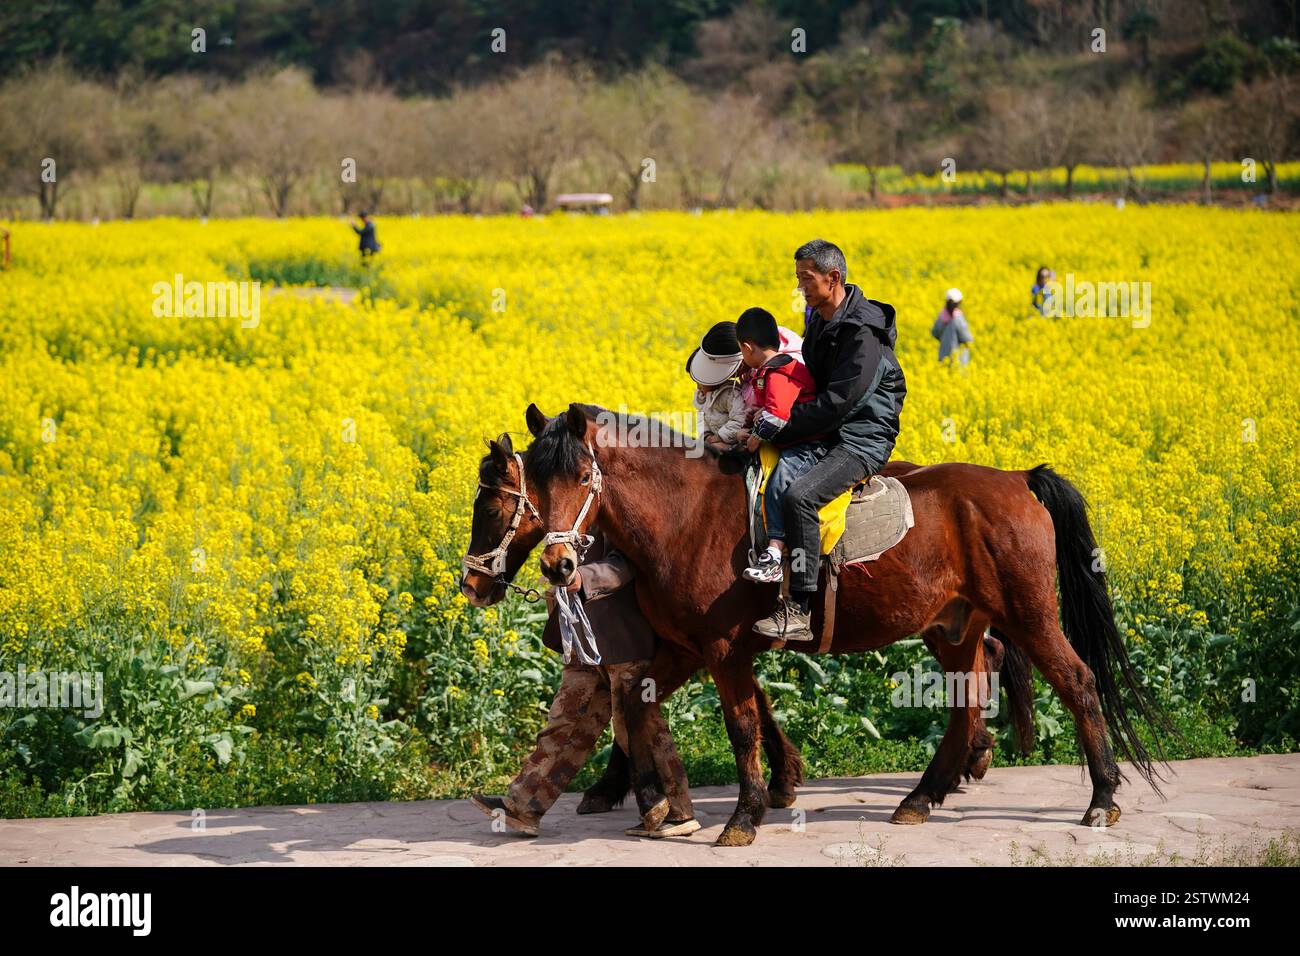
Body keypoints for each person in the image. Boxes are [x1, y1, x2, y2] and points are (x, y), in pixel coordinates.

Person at [470, 532, 699, 839]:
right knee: (565, 722)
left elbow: (627, 563)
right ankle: (524, 807)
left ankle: (676, 811)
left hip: (622, 641)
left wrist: (583, 578)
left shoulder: (609, 501)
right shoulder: (561, 519)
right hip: (581, 642)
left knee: (639, 724)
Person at [752, 239, 906, 642]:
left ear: (833, 278)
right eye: (798, 278)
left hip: (861, 438)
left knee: (801, 496)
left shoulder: (862, 335)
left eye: (806, 278)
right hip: (831, 428)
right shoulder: (819, 317)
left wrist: (784, 425)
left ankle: (799, 608)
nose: (800, 286)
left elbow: (839, 403)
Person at [733, 307, 823, 585]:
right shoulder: (770, 369)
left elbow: (776, 417)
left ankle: (774, 553)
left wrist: (753, 440)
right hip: (792, 439)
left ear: (748, 348)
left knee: (779, 484)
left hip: (808, 445)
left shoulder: (779, 373)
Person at [686, 321, 751, 454]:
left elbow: (739, 419)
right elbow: (701, 419)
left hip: (732, 442)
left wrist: (719, 437)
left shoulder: (730, 394)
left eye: (700, 382)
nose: (698, 387)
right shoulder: (702, 398)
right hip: (713, 440)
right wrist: (706, 436)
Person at [931, 288, 973, 365]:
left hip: (943, 356)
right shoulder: (958, 318)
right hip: (957, 358)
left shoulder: (941, 316)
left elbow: (934, 333)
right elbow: (966, 338)